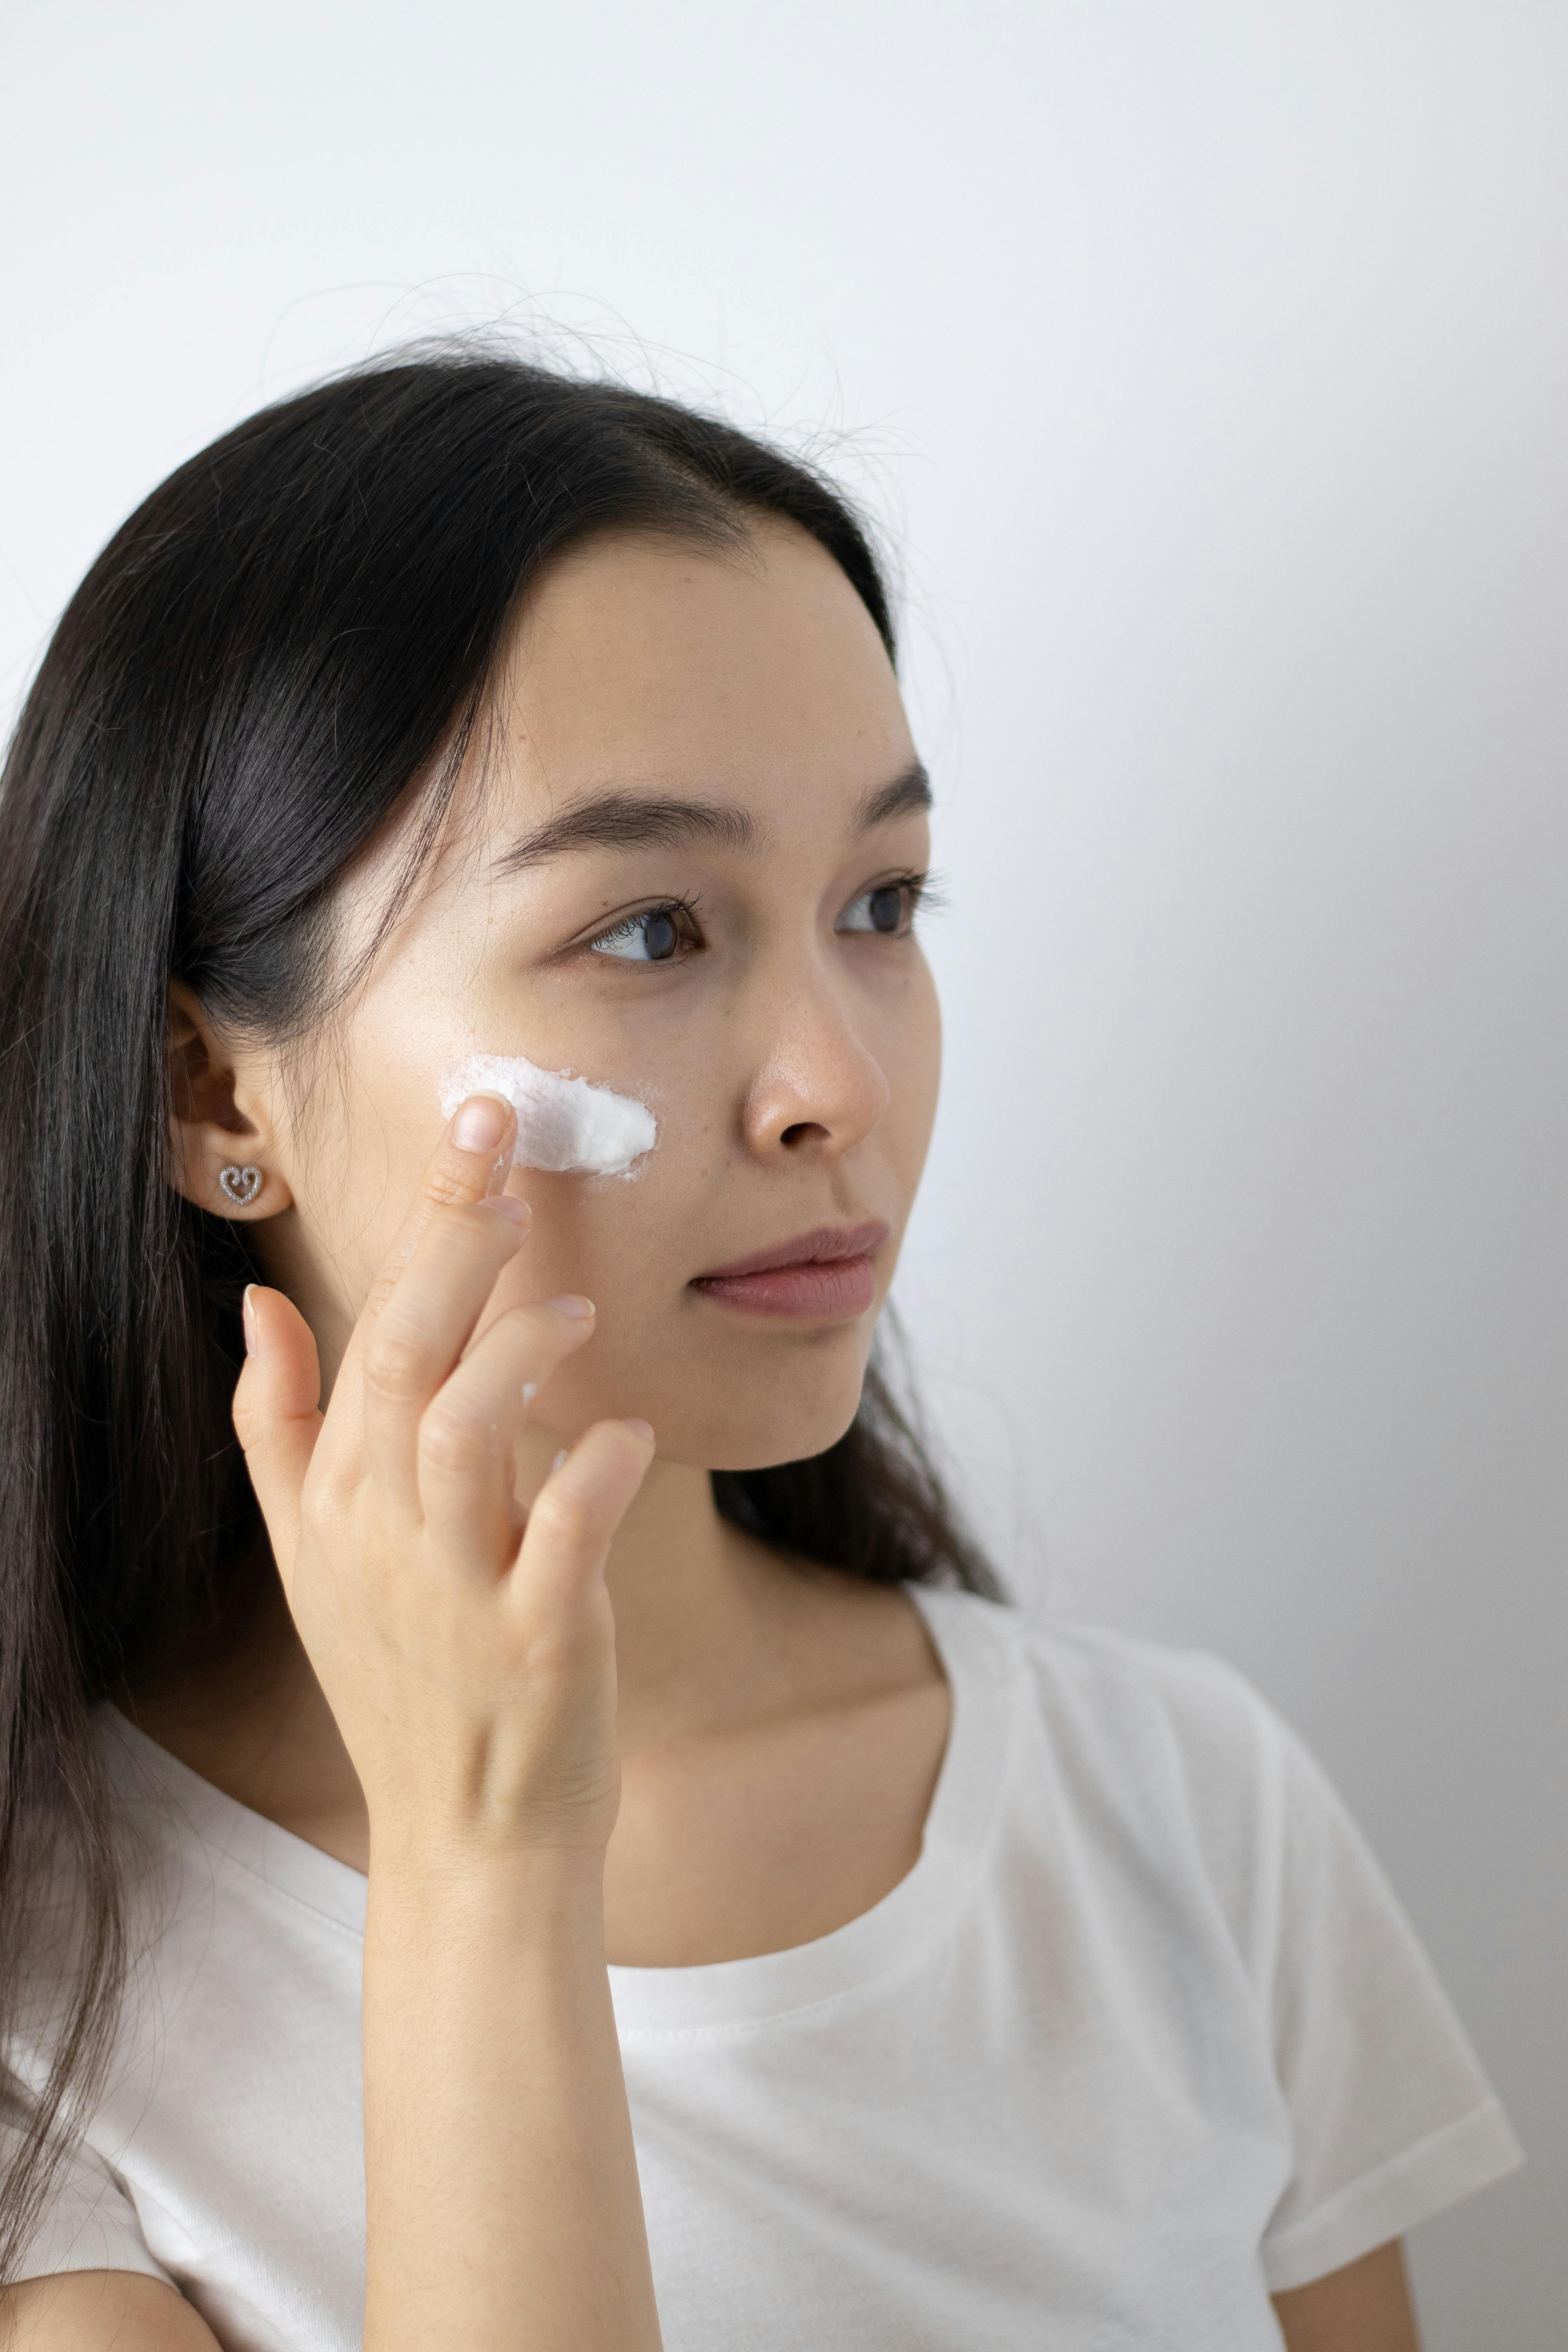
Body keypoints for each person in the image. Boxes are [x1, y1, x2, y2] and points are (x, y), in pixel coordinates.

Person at [0, 352, 1519, 2352]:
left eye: (881, 901)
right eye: (648, 930)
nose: (835, 1084)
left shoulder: (1177, 1807)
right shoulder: (55, 1994)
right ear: (216, 1088)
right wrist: (481, 1870)